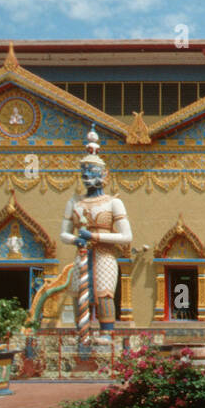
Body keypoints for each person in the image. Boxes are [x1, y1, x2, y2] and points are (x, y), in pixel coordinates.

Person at [58, 127, 133, 345]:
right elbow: (63, 234)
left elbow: (127, 236)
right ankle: (81, 333)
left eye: (93, 173)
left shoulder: (113, 202)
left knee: (104, 292)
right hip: (82, 252)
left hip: (104, 254)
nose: (88, 177)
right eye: (85, 173)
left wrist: (96, 237)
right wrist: (75, 240)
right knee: (78, 291)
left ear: (104, 175)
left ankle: (106, 334)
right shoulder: (75, 202)